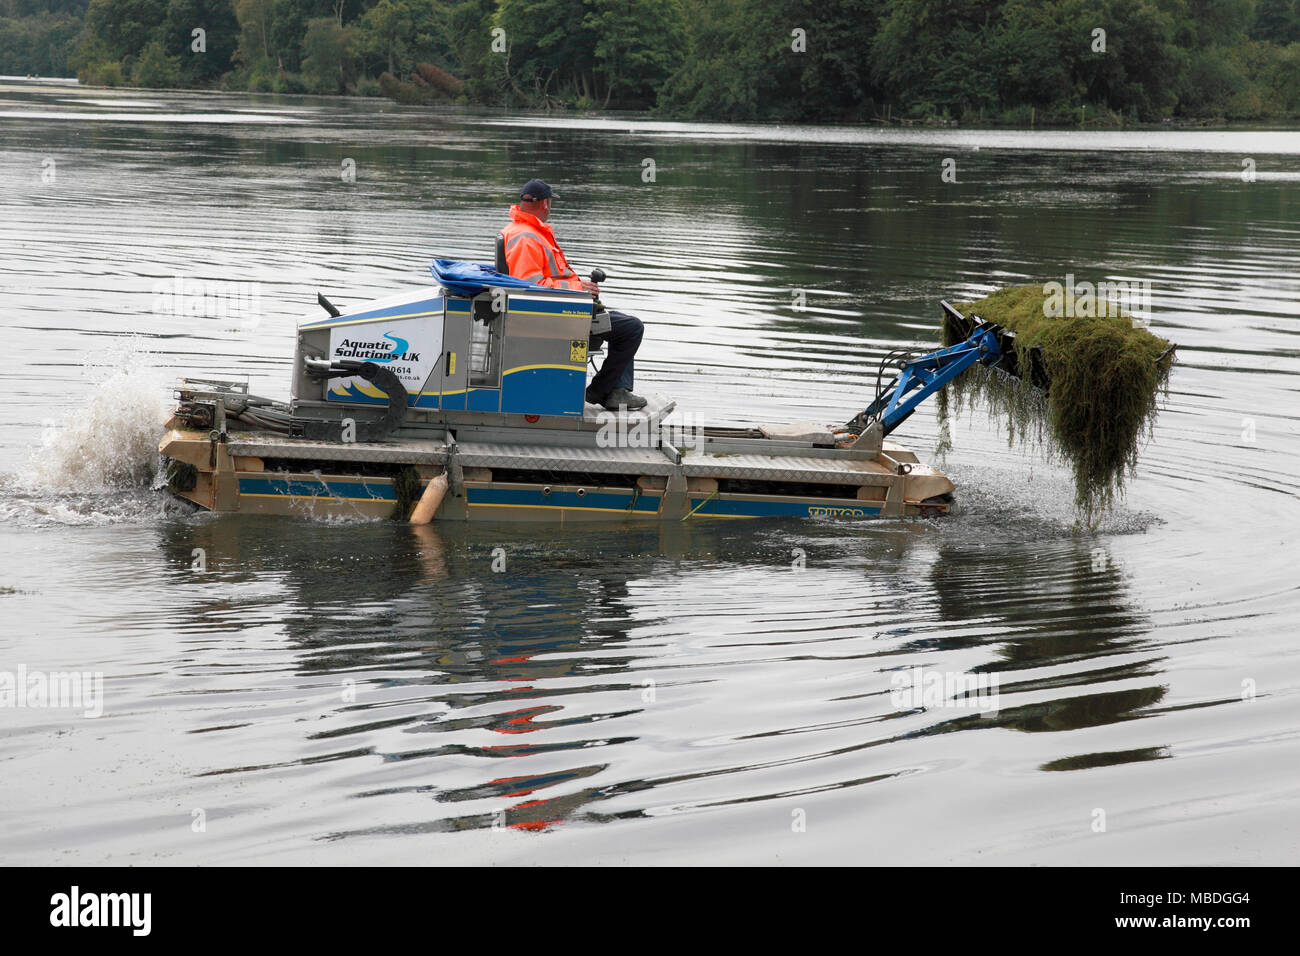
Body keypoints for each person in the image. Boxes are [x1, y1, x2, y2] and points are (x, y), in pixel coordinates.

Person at [500, 179, 647, 411]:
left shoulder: (524, 230)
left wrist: (580, 285)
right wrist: (579, 289)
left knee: (617, 322)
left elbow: (550, 277)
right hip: (556, 317)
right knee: (631, 328)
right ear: (545, 203)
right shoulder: (527, 238)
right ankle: (605, 391)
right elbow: (529, 285)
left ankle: (612, 390)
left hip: (561, 309)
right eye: (550, 203)